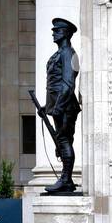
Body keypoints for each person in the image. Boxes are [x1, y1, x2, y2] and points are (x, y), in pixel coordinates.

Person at [41, 18, 81, 195]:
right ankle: (67, 180)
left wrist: (58, 106)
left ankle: (65, 179)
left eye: (57, 31)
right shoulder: (59, 54)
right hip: (58, 105)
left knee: (64, 141)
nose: (53, 33)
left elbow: (68, 84)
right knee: (63, 141)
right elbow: (54, 84)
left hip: (65, 106)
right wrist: (47, 106)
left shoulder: (68, 54)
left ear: (65, 33)